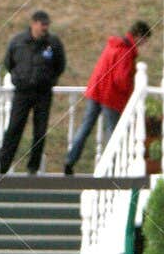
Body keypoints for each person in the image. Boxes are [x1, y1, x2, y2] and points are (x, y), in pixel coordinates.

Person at [64, 19, 153, 174]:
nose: (144, 43)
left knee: (85, 127)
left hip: (96, 91)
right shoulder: (126, 52)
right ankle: (111, 167)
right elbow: (121, 80)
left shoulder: (113, 46)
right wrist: (130, 91)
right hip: (111, 96)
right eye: (144, 39)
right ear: (139, 36)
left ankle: (70, 160)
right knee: (112, 132)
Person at [0, 10, 67, 175]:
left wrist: (50, 80)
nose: (45, 28)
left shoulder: (53, 43)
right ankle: (2, 167)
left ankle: (33, 168)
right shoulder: (18, 42)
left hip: (43, 93)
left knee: (40, 131)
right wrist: (19, 77)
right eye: (42, 24)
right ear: (33, 23)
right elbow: (9, 62)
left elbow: (60, 65)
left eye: (47, 25)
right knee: (14, 128)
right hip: (22, 92)